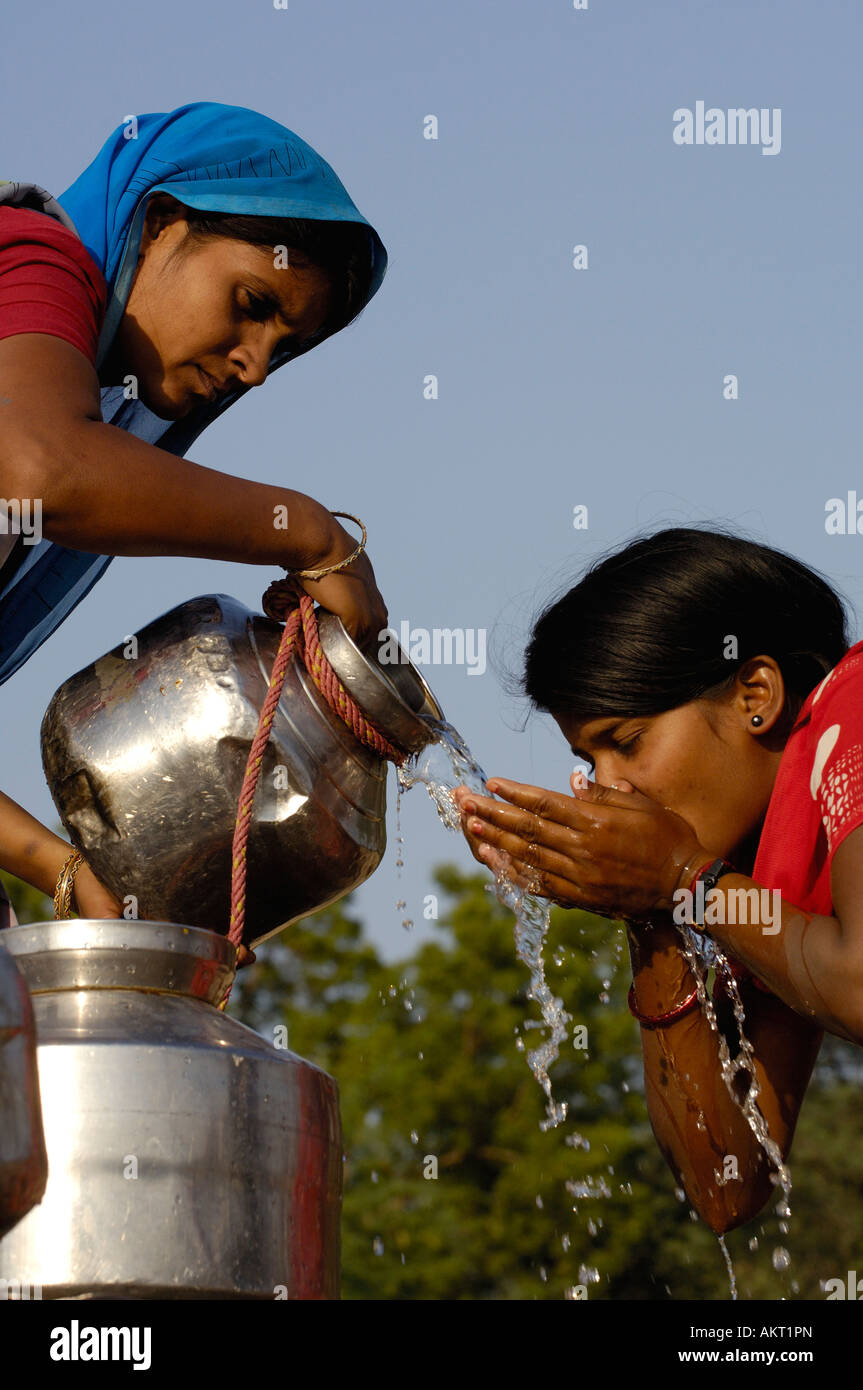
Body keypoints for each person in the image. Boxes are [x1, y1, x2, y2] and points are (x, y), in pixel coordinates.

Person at [0, 102, 389, 942]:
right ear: (159, 224)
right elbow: (44, 468)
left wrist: (59, 871)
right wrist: (313, 534)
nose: (253, 365)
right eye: (251, 303)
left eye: (284, 347)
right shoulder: (26, 259)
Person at [454, 525, 863, 1233]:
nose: (606, 791)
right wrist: (650, 917)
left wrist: (680, 875)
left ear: (753, 694)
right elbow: (727, 1186)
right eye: (589, 758)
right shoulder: (767, 875)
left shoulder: (853, 708)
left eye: (627, 743)